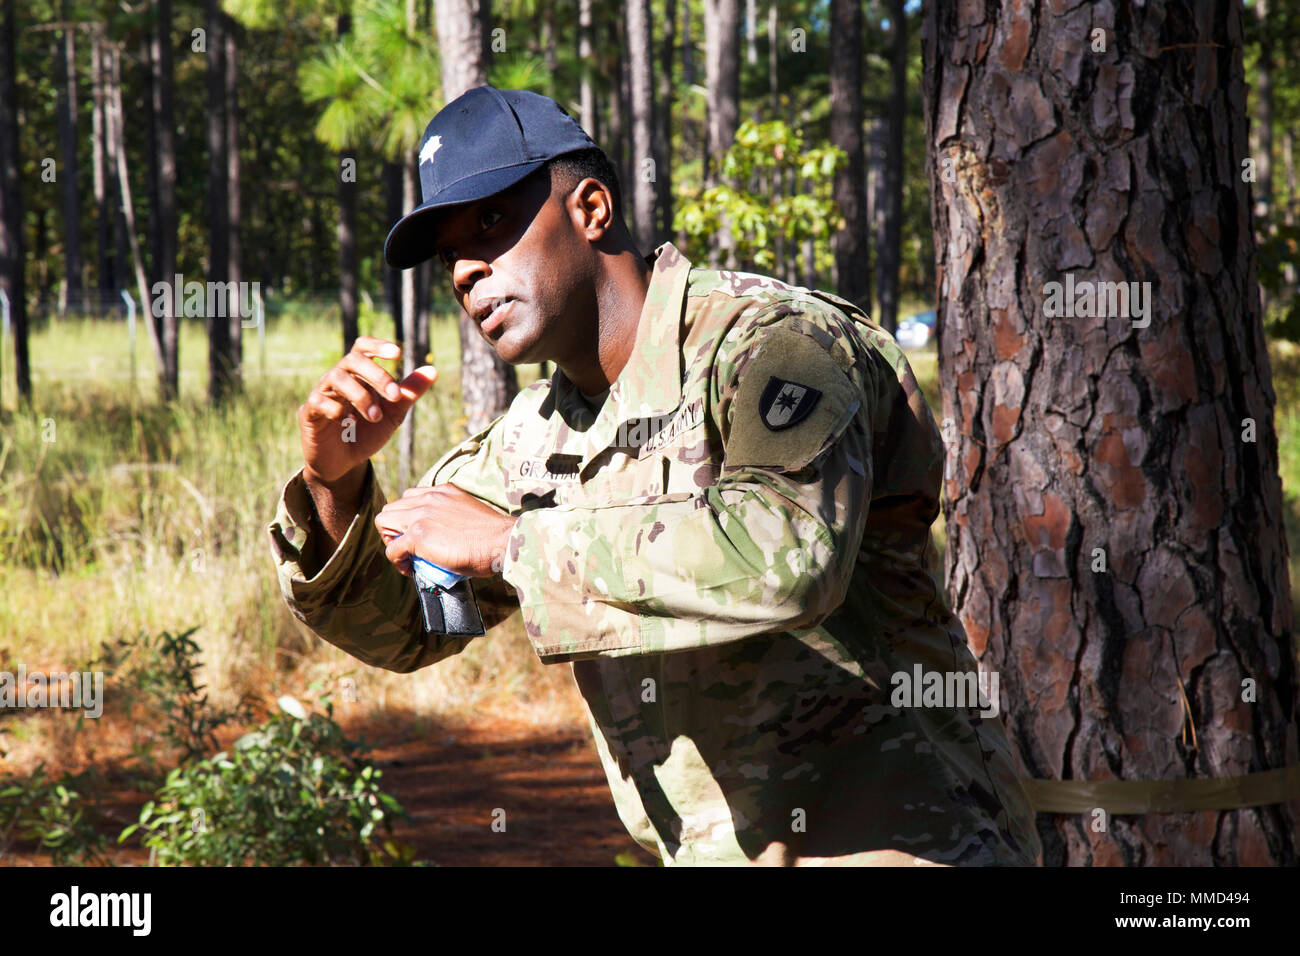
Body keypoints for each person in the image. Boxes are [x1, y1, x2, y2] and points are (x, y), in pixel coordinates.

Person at [267, 85, 1042, 866]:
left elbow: (791, 559)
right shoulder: (532, 437)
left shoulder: (772, 344)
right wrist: (334, 483)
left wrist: (512, 546)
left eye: (491, 225)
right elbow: (407, 627)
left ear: (592, 209)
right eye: (449, 257)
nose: (467, 270)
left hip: (913, 845)